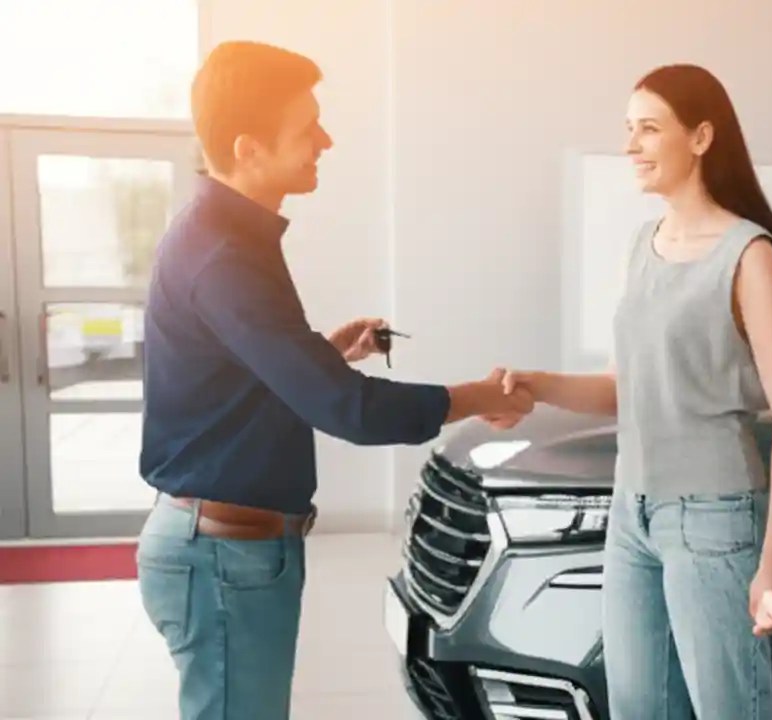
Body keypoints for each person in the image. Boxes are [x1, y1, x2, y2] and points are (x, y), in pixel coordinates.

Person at [135, 40, 532, 720]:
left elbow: (241, 379)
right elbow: (346, 410)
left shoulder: (228, 239)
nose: (325, 140)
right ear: (247, 148)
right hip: (223, 560)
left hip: (231, 551)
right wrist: (477, 399)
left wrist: (322, 352)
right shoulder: (223, 254)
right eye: (305, 128)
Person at [490, 64, 772, 719]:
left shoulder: (749, 255)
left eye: (648, 129)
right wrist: (538, 385)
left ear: (700, 137)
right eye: (628, 130)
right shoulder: (643, 245)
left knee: (728, 708)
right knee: (637, 708)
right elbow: (620, 388)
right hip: (631, 509)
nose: (631, 145)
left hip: (713, 513)